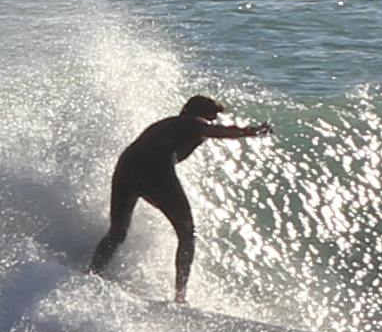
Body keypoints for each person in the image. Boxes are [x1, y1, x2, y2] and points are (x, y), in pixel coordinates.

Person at [89, 92, 268, 299]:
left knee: (118, 231)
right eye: (211, 116)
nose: (213, 121)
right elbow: (213, 130)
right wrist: (251, 132)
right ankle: (180, 296)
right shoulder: (193, 123)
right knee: (187, 233)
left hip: (125, 169)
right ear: (200, 114)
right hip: (155, 172)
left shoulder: (166, 124)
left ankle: (91, 273)